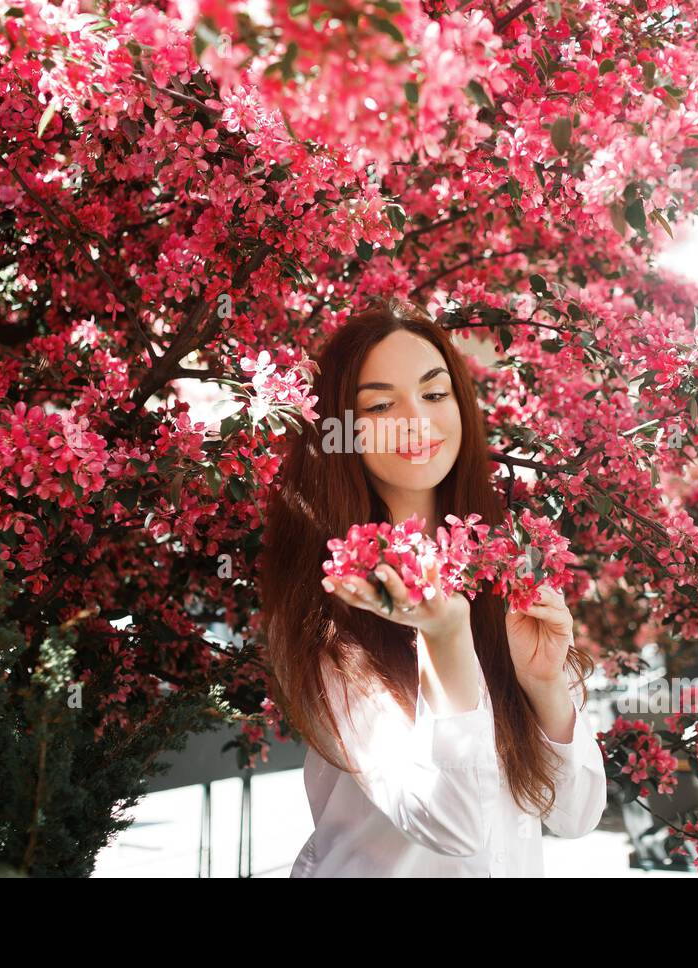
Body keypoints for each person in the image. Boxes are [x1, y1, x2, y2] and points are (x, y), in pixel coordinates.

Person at [258, 298, 607, 877]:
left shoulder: (503, 569)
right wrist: (445, 639)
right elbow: (451, 825)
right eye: (380, 404)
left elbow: (575, 814)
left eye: (434, 393)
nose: (417, 421)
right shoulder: (328, 609)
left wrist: (545, 686)